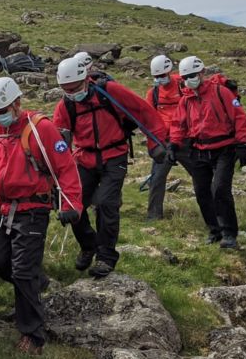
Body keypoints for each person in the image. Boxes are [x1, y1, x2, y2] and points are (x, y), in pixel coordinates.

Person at [0, 77, 83, 355]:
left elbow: (65, 167)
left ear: (17, 103)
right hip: (2, 209)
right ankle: (35, 285)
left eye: (4, 110)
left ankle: (32, 334)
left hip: (32, 209)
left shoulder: (40, 128)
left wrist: (71, 204)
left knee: (21, 272)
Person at [53, 57, 167, 278]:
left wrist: (156, 143)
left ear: (86, 79)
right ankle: (89, 245)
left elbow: (143, 111)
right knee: (72, 204)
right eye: (65, 90)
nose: (71, 93)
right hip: (84, 158)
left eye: (74, 88)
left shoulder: (110, 92)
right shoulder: (65, 105)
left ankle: (105, 257)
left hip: (114, 157)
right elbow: (59, 141)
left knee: (106, 203)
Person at [169, 56, 246, 249]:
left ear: (201, 73)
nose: (189, 80)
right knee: (201, 192)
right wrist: (173, 145)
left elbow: (239, 117)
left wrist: (242, 143)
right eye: (185, 78)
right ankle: (214, 230)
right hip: (198, 150)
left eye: (192, 75)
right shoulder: (186, 99)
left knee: (220, 189)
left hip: (224, 149)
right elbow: (178, 124)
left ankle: (229, 233)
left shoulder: (221, 92)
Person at [144, 55, 187, 221]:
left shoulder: (184, 85)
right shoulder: (153, 94)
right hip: (164, 142)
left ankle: (214, 215)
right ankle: (154, 216)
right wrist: (154, 146)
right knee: (156, 179)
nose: (159, 79)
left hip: (186, 140)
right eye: (156, 77)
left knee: (201, 177)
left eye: (162, 76)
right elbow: (148, 119)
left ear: (169, 71)